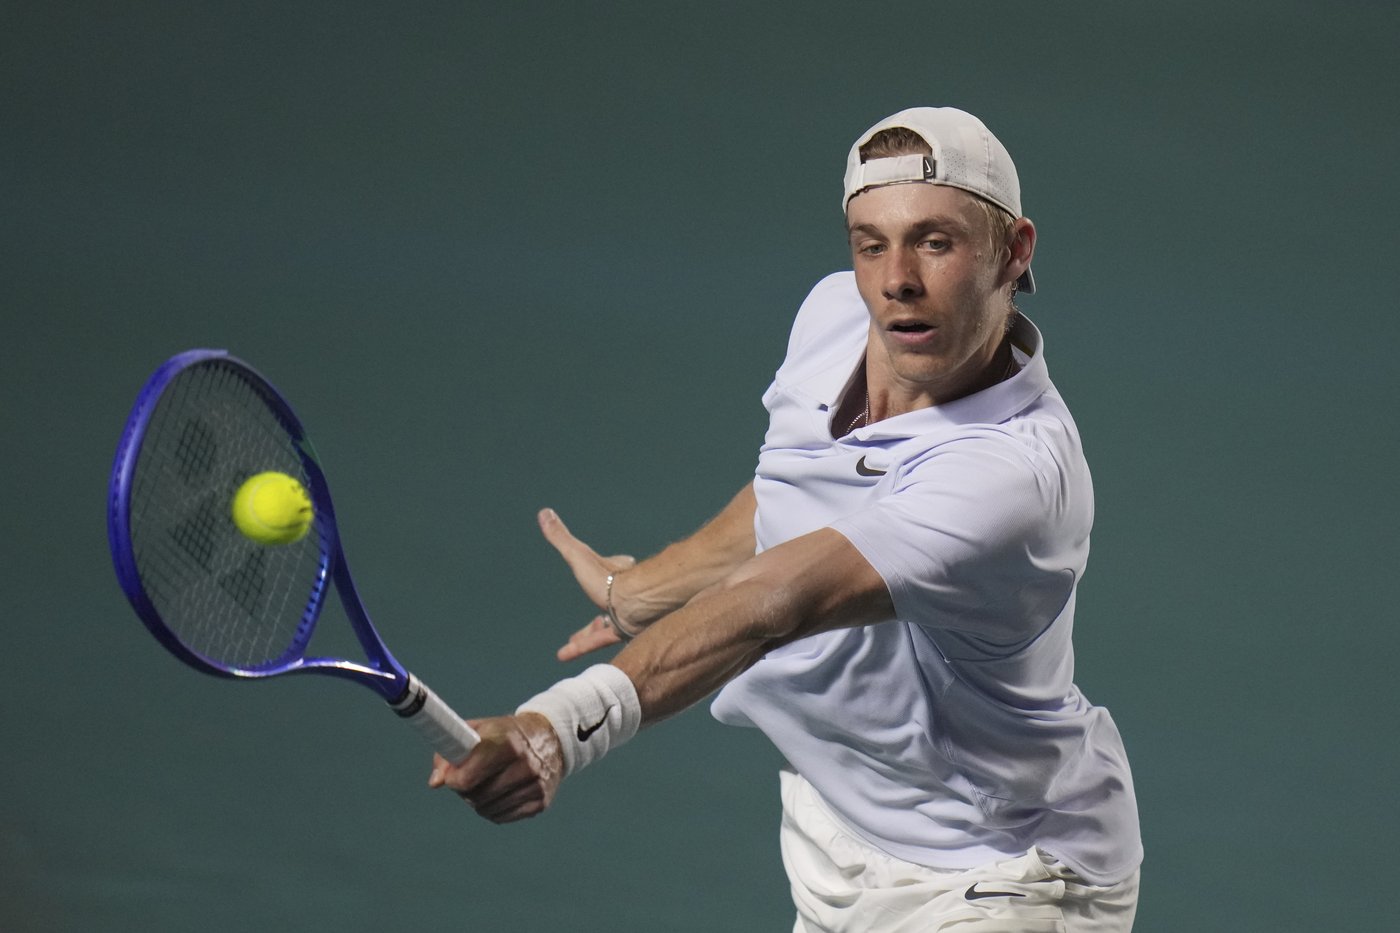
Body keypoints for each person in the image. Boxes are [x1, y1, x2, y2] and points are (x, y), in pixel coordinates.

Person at [430, 106, 1142, 932]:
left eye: (935, 242)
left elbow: (777, 600)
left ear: (1014, 252)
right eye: (870, 243)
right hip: (835, 837)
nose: (895, 279)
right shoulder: (832, 317)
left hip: (998, 874)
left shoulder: (1009, 474)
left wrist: (560, 726)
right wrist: (642, 589)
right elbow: (796, 490)